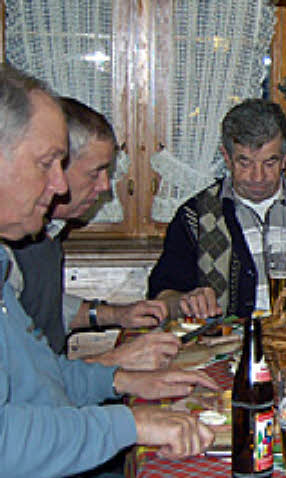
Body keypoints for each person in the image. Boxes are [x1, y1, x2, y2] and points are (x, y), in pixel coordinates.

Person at [0, 65, 216, 478]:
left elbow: (45, 377)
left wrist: (125, 383)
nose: (58, 186)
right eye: (47, 162)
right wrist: (132, 424)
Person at [5, 97, 178, 369]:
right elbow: (19, 379)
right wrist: (112, 361)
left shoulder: (48, 231)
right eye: (95, 172)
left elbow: (44, 307)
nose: (105, 186)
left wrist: (116, 314)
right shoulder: (12, 242)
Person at [147, 98, 286, 319]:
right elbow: (162, 296)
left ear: (285, 158)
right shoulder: (194, 216)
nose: (258, 177)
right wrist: (185, 301)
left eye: (269, 163)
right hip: (225, 338)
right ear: (227, 158)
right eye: (245, 163)